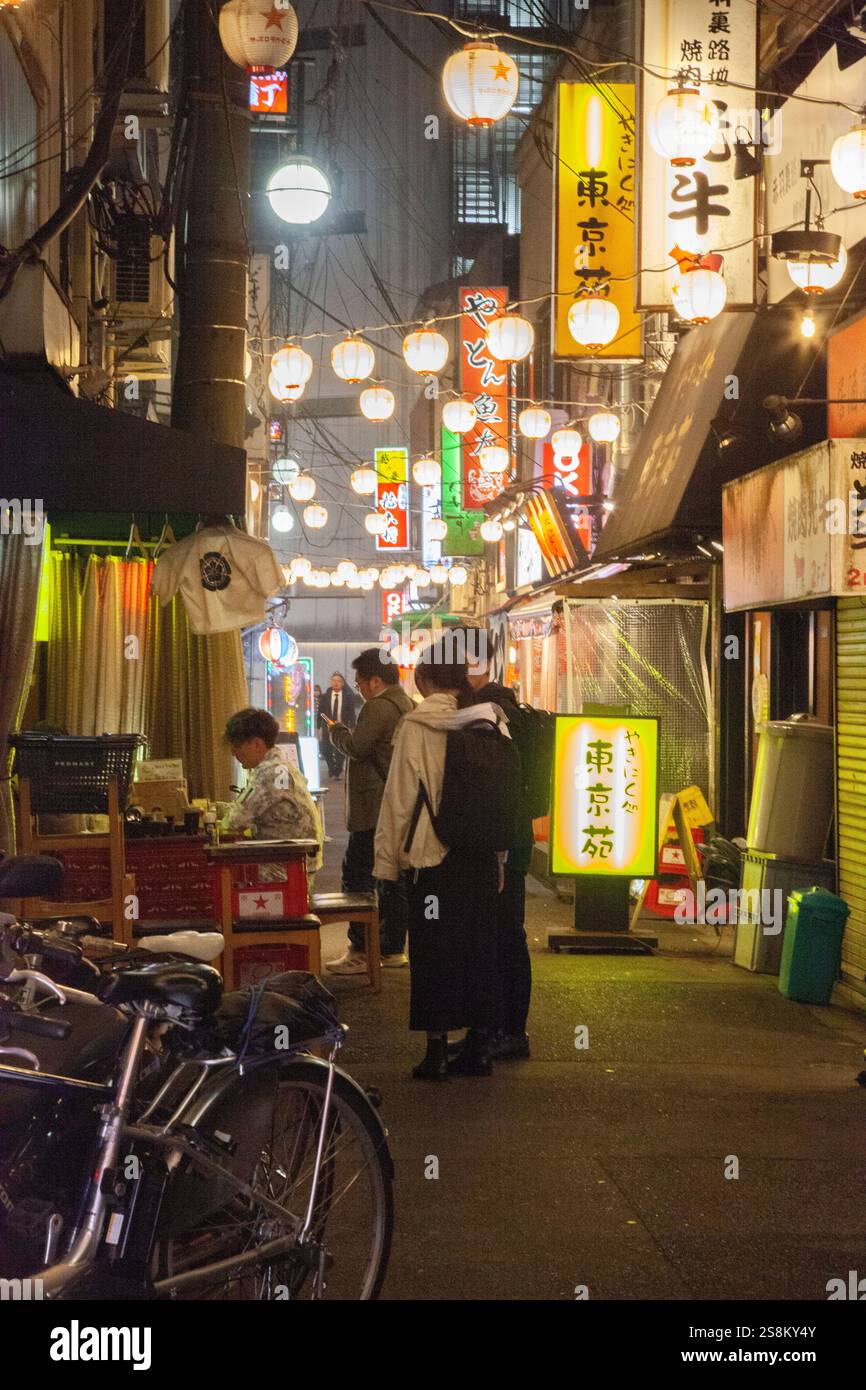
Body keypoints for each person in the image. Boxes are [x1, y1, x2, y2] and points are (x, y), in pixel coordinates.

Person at [374, 636, 510, 1081]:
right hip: (479, 858)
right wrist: (501, 857)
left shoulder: (417, 725)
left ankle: (435, 1052)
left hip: (432, 860)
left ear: (428, 678)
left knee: (434, 955)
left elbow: (398, 799)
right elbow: (499, 799)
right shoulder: (492, 721)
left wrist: (386, 865)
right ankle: (478, 1049)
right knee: (479, 951)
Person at [325, 648, 414, 975]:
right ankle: (391, 948)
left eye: (360, 682)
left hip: (373, 807)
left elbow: (357, 747)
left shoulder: (378, 707)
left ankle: (361, 949)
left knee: (357, 877)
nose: (358, 688)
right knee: (392, 879)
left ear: (376, 680)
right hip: (393, 805)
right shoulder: (405, 703)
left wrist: (336, 731)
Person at [466, 642, 534, 1060]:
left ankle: (506, 1032)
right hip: (514, 837)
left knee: (502, 936)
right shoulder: (510, 710)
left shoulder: (490, 715)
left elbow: (496, 789)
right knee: (505, 934)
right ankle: (501, 1030)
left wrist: (498, 853)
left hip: (502, 842)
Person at [221, 707, 322, 873]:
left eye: (237, 745)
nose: (233, 752)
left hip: (281, 869)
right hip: (298, 863)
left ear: (257, 744)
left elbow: (234, 823)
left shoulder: (269, 774)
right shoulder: (282, 766)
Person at [320, 673, 357, 779]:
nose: (336, 683)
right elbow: (321, 711)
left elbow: (351, 713)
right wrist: (319, 724)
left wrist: (352, 725)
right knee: (326, 750)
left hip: (341, 727)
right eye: (334, 680)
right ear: (331, 682)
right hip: (327, 727)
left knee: (340, 750)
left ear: (342, 683)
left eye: (338, 681)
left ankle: (338, 770)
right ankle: (331, 768)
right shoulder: (325, 696)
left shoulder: (347, 697)